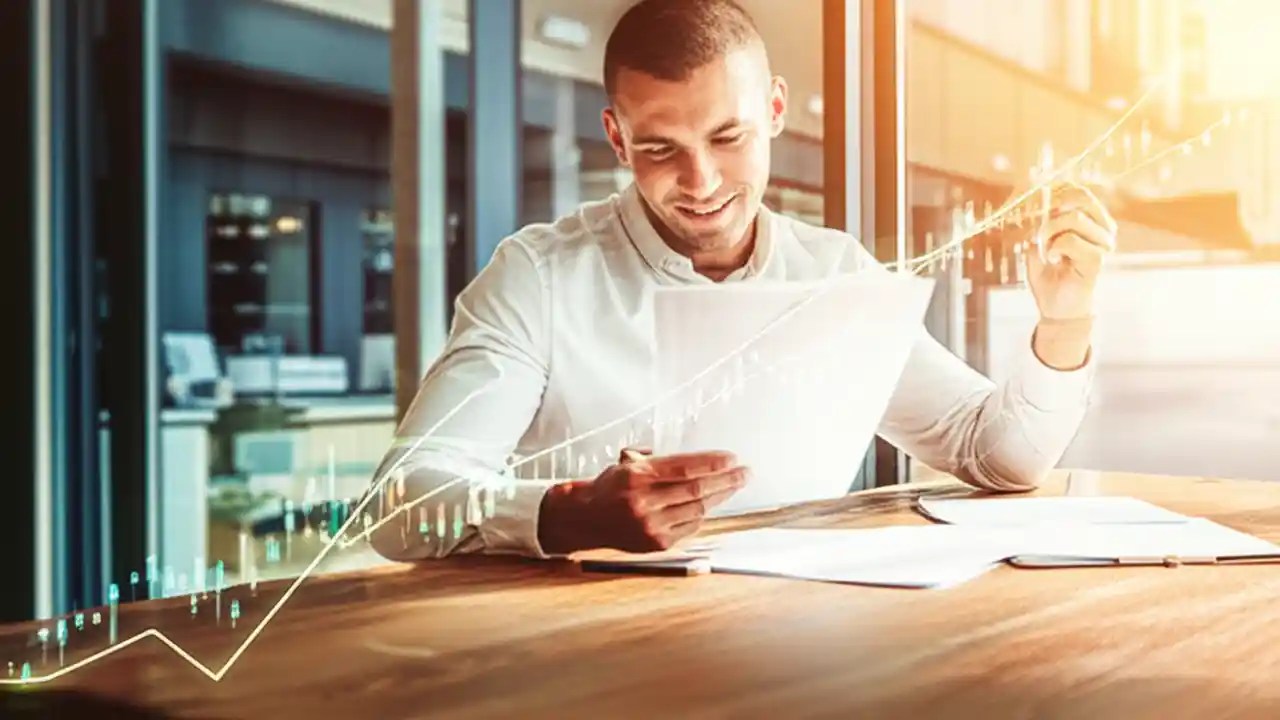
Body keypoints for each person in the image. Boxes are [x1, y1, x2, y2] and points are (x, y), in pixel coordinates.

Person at [368, 0, 1115, 562]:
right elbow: (397, 507)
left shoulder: (835, 274)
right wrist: (563, 512)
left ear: (776, 111)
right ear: (617, 137)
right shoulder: (539, 278)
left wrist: (1064, 323)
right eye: (660, 148)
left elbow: (1000, 457)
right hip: (591, 656)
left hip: (807, 640)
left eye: (729, 137)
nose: (701, 182)